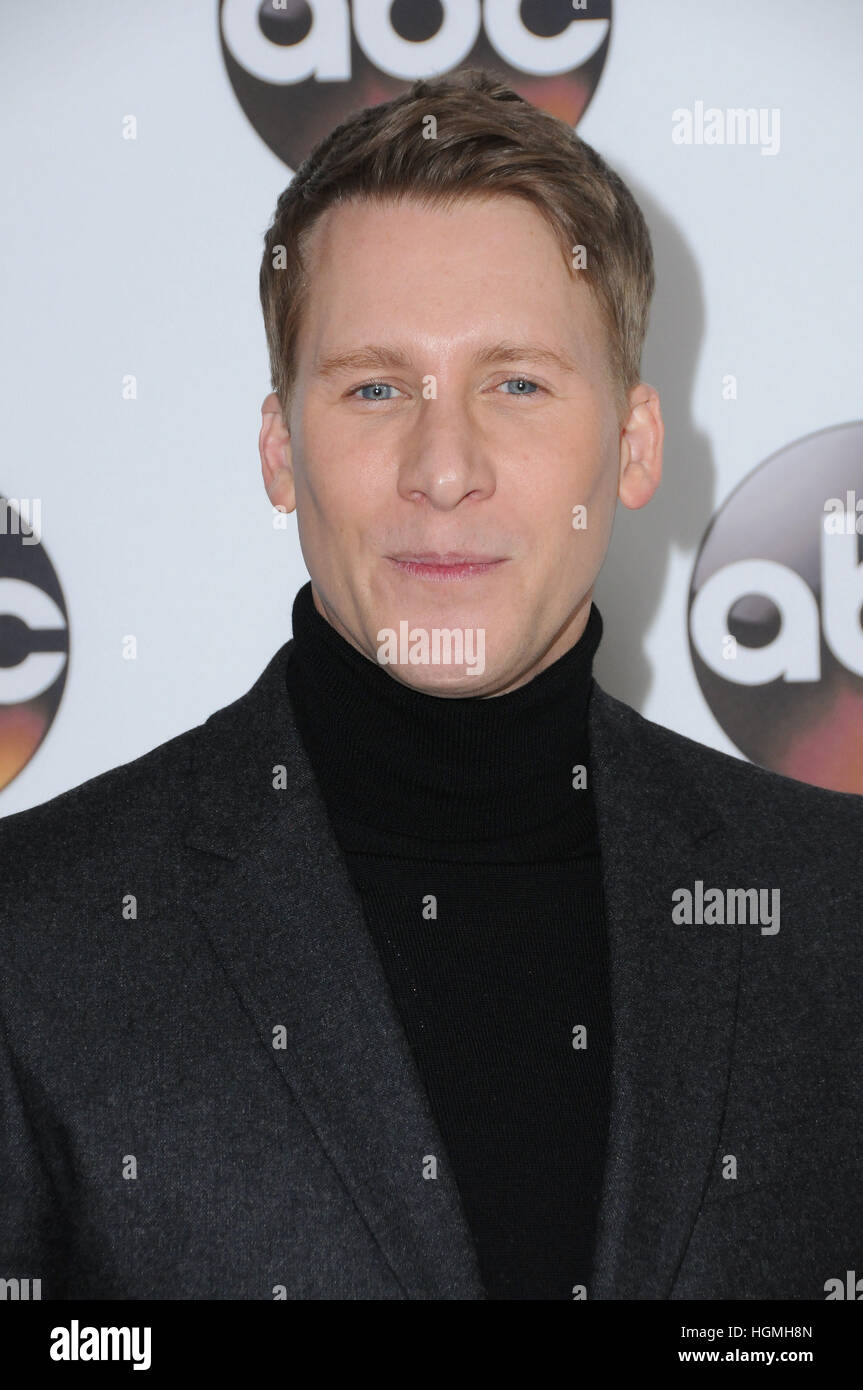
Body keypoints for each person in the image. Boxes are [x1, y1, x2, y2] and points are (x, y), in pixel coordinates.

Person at [1, 68, 860, 1303]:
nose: (442, 468)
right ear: (279, 451)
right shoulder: (35, 938)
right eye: (372, 387)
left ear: (631, 446)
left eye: (513, 383)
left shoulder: (832, 914)